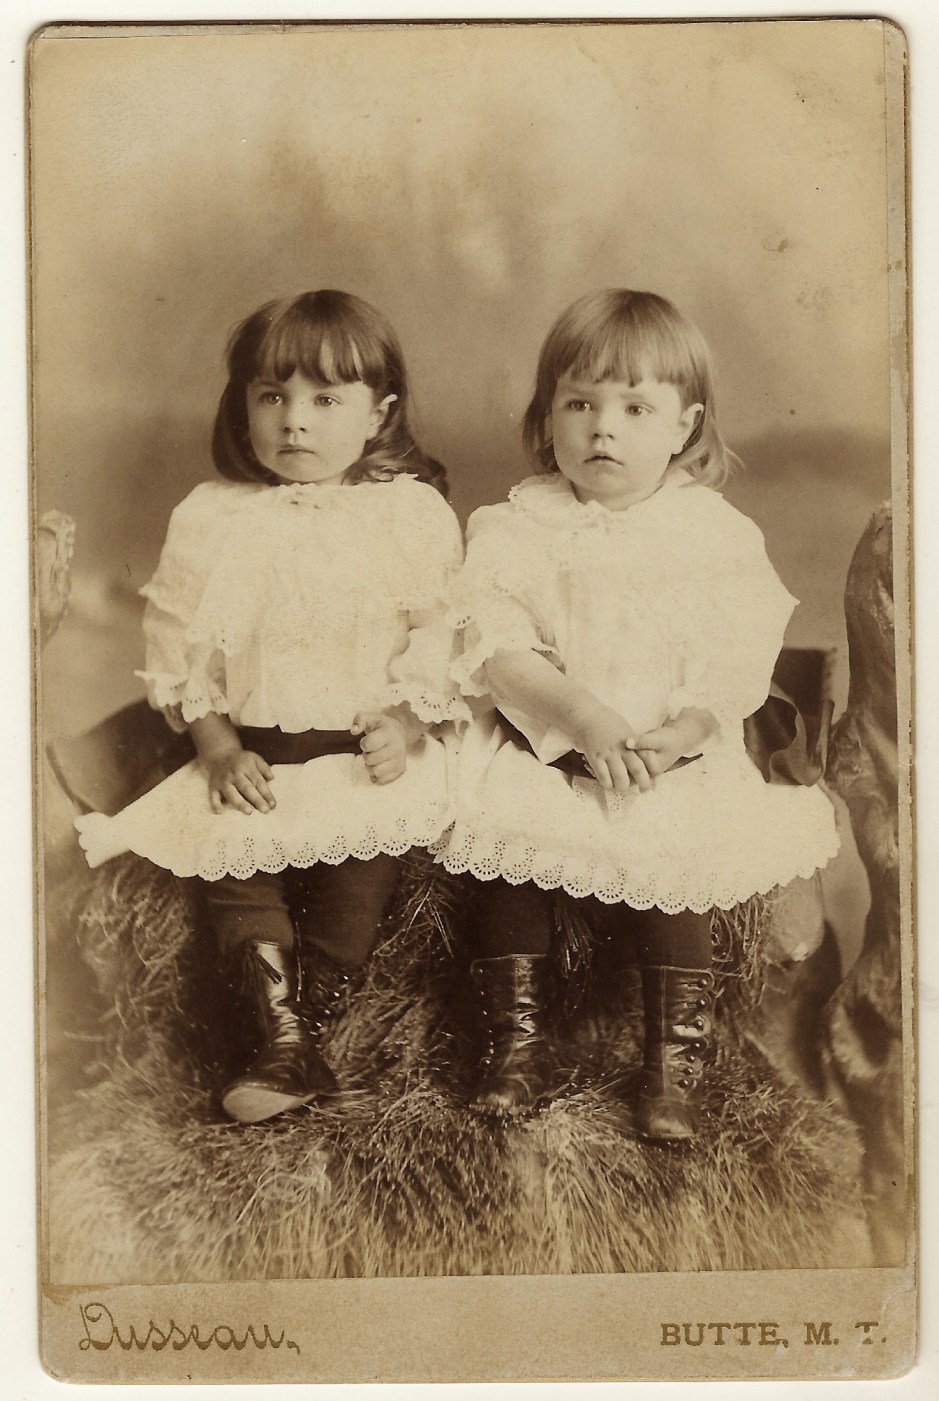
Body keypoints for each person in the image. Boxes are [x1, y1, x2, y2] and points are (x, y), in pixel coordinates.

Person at [436, 288, 840, 1140]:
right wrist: (579, 714)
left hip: (670, 761)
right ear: (547, 417)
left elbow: (736, 659)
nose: (602, 429)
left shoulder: (712, 533)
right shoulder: (515, 525)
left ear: (683, 426)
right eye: (578, 404)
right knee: (508, 869)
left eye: (633, 407)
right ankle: (518, 1047)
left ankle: (672, 1066)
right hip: (552, 751)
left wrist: (689, 727)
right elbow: (498, 647)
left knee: (675, 877)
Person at [76, 289, 465, 1125]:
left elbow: (438, 643)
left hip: (358, 761)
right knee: (233, 866)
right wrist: (216, 746)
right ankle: (278, 1033)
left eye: (326, 399)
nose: (295, 420)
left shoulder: (408, 514)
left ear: (378, 413)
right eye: (273, 395)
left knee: (355, 891)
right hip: (254, 756)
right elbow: (182, 654)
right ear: (243, 404)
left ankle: (310, 1029)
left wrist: (404, 725)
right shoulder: (213, 516)